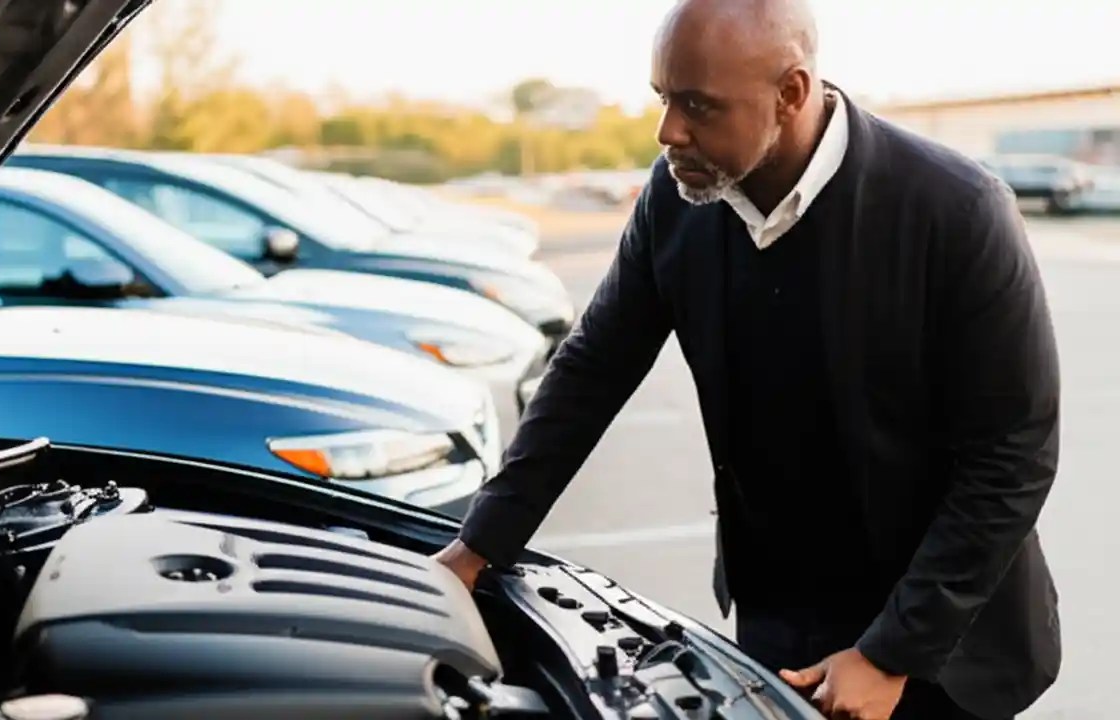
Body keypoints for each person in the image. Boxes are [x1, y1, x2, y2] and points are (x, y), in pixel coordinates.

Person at [431, 0, 1062, 718]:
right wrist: (476, 546)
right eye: (664, 98)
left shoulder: (956, 211)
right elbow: (590, 372)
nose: (668, 131)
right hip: (775, 628)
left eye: (697, 105)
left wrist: (892, 654)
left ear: (791, 93)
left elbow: (1012, 456)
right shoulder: (674, 201)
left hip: (943, 648)